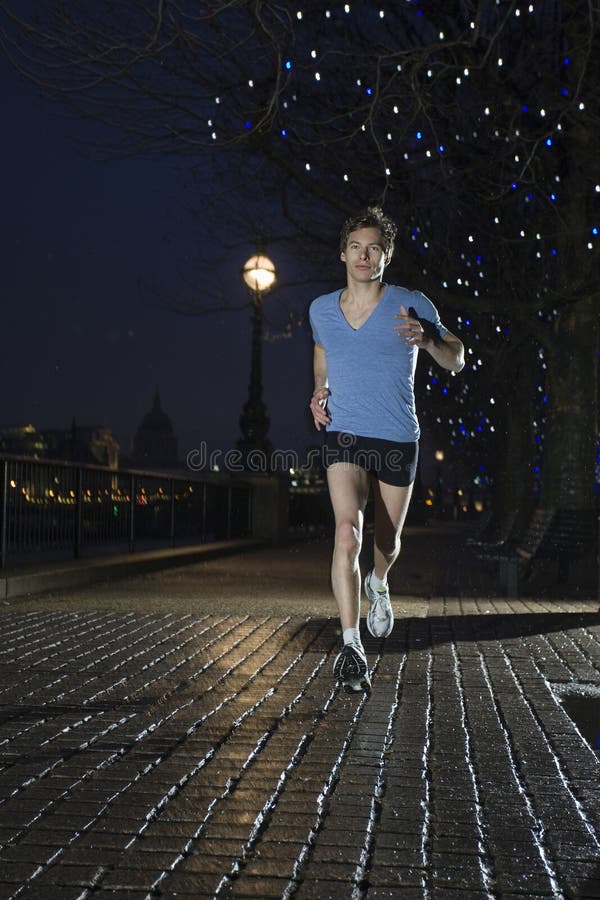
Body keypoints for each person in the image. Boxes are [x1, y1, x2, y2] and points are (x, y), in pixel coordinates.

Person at [309, 207, 464, 694]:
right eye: (355, 246)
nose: (363, 254)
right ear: (342, 253)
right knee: (345, 534)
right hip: (346, 435)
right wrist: (319, 390)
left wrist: (430, 338)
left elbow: (457, 358)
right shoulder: (320, 310)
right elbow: (322, 351)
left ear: (385, 256)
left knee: (388, 543)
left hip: (398, 436)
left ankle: (380, 583)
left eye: (373, 247)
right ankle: (352, 645)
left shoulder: (411, 304)